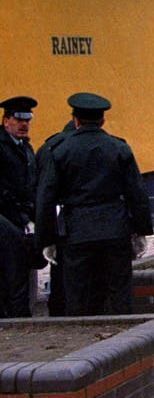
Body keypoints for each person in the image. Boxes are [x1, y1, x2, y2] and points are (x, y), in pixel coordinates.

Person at [34, 93, 154, 316]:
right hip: (115, 228)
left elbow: (46, 197)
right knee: (119, 294)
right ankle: (123, 343)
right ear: (102, 121)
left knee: (77, 295)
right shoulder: (119, 148)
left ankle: (82, 344)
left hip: (77, 230)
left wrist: (46, 238)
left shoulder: (59, 150)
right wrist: (141, 230)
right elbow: (137, 193)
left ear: (76, 120)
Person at [1, 96, 39, 317]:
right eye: (19, 119)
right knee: (11, 272)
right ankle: (15, 316)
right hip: (4, 218)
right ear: (7, 121)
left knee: (19, 270)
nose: (24, 124)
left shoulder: (26, 148)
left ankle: (18, 314)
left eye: (28, 119)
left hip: (19, 218)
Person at [34, 119, 75, 316]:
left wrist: (44, 237)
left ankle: (59, 313)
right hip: (98, 225)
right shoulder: (113, 145)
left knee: (60, 275)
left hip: (61, 222)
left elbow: (43, 194)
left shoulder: (50, 148)